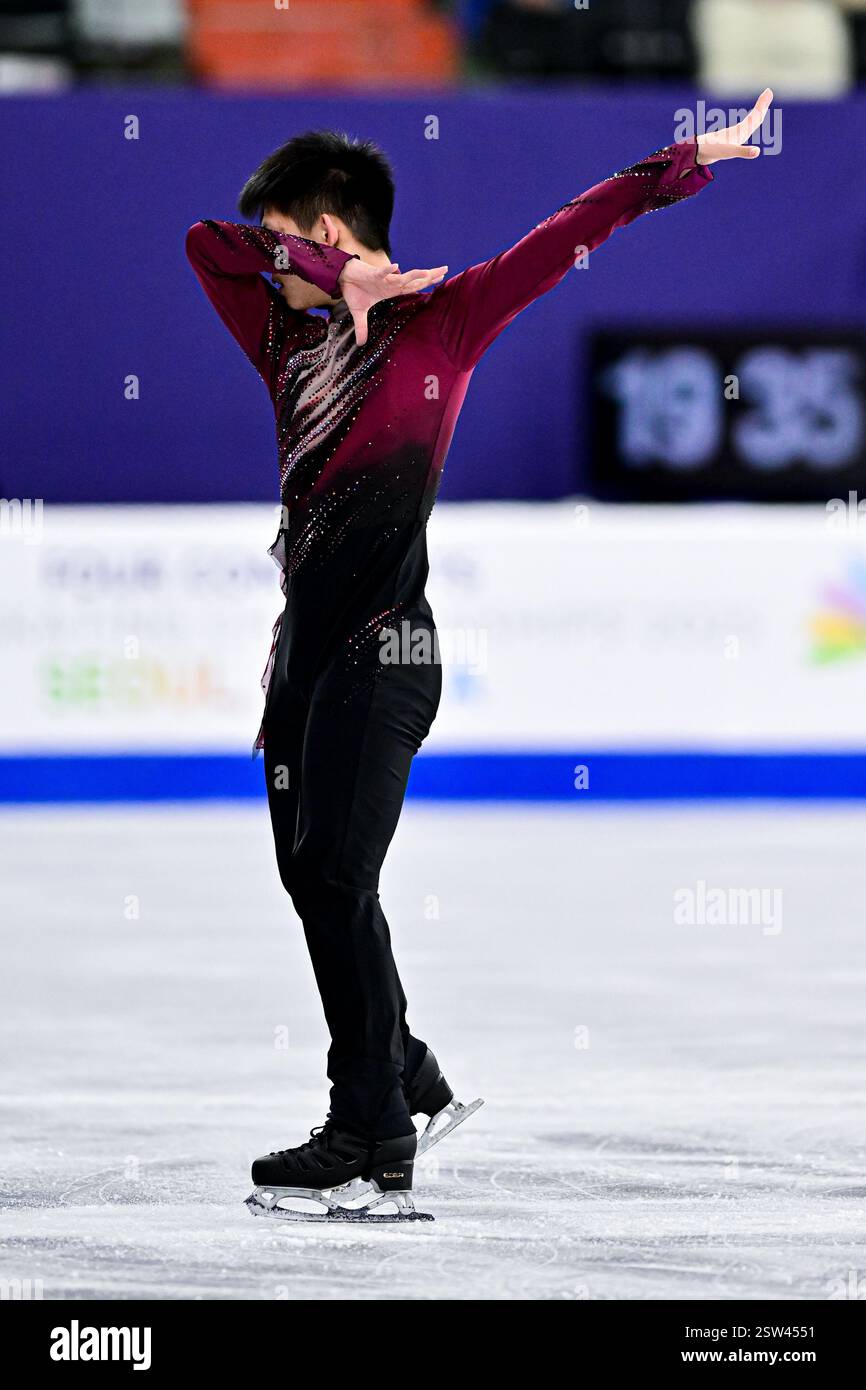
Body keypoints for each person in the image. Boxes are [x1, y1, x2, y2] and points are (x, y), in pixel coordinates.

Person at [186, 91, 773, 1221]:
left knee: (335, 877)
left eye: (297, 240)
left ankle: (370, 1136)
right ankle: (406, 1073)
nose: (278, 264)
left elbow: (565, 234)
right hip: (300, 661)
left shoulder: (446, 321)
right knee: (314, 883)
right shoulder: (284, 335)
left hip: (386, 648)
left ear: (338, 223)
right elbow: (204, 245)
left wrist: (677, 162)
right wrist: (322, 265)